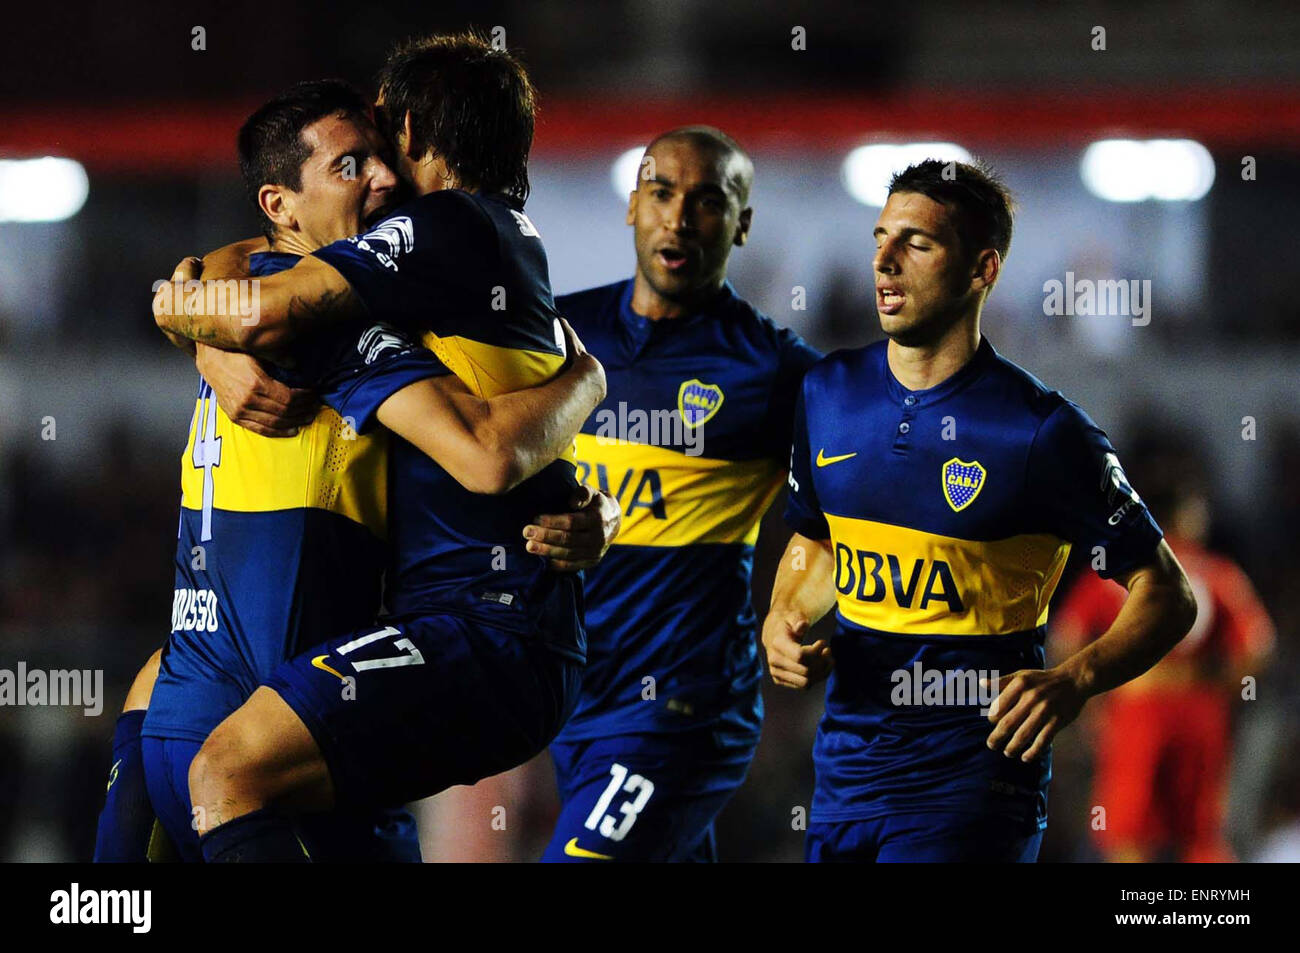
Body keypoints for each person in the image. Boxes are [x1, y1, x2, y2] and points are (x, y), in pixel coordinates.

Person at [145, 36, 614, 864]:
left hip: (489, 629)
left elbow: (260, 300)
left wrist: (178, 311)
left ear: (412, 127)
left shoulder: (444, 226)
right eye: (354, 163)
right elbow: (249, 261)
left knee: (225, 772)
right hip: (489, 628)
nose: (380, 175)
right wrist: (200, 333)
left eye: (381, 146)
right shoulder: (490, 247)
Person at [762, 159, 1198, 862]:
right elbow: (815, 540)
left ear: (983, 268)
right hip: (845, 778)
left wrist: (1076, 678)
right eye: (880, 238)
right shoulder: (827, 392)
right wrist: (785, 619)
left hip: (972, 786)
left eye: (917, 243)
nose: (884, 260)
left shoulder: (1040, 432)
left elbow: (1169, 592)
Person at [533, 127, 820, 862]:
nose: (680, 217)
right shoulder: (555, 336)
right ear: (632, 206)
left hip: (684, 708)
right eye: (661, 192)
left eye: (708, 201)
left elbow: (868, 500)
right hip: (573, 700)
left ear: (741, 225)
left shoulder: (776, 373)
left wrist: (802, 608)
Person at [1054, 443, 1275, 861]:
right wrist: (1206, 679)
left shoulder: (1119, 570)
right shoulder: (1218, 573)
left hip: (1137, 711)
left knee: (1125, 836)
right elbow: (1259, 649)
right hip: (1201, 715)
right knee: (1200, 834)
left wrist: (1094, 695)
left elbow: (1067, 636)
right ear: (1188, 515)